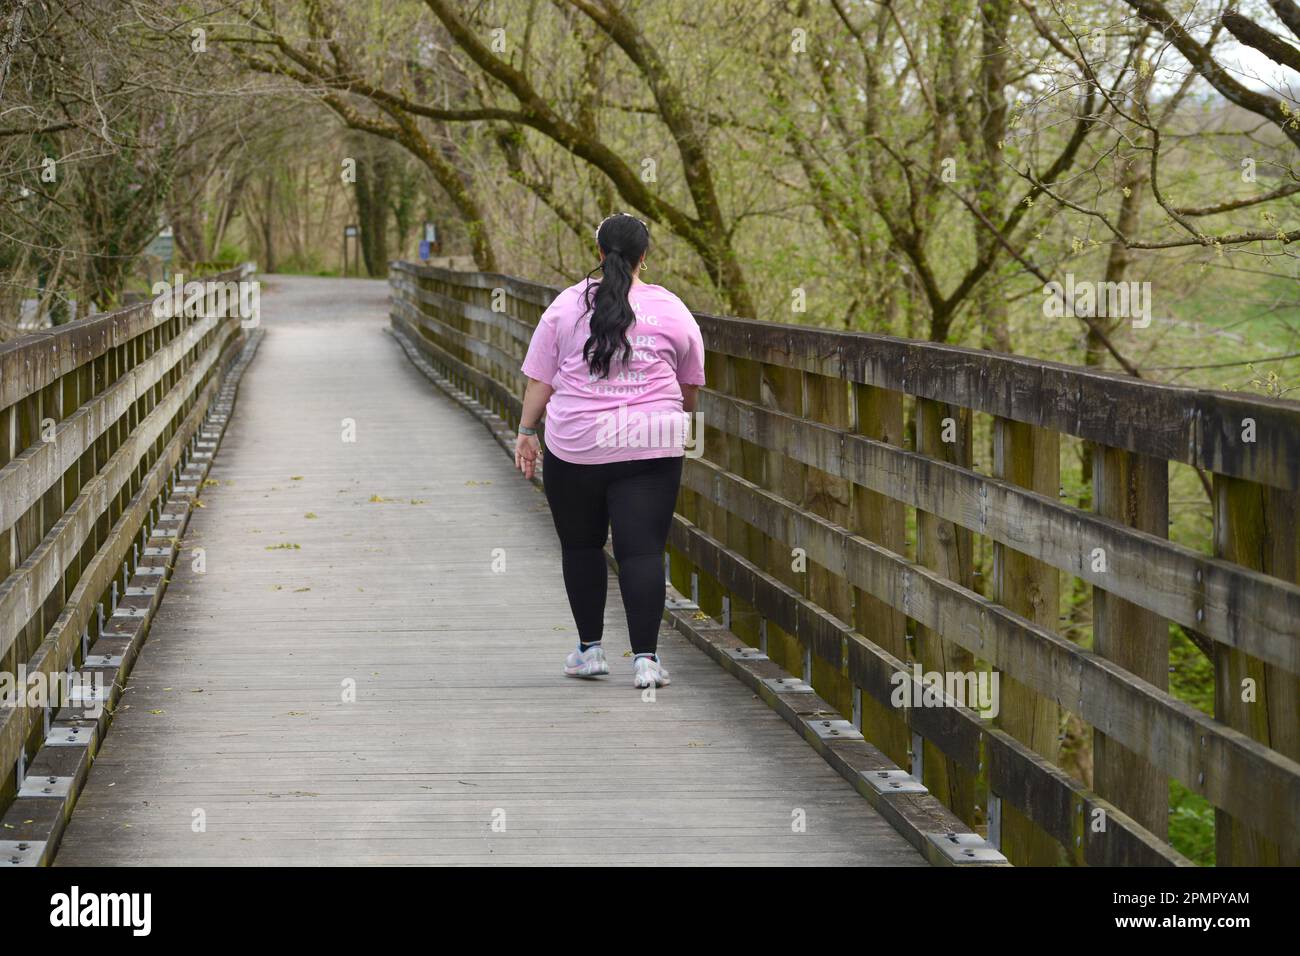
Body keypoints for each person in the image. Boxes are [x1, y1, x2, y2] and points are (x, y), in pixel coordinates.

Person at [513, 213, 704, 689]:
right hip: (651, 442)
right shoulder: (672, 308)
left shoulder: (566, 305)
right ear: (645, 256)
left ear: (599, 253)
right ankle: (645, 660)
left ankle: (590, 651)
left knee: (581, 545)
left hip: (578, 442)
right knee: (642, 551)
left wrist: (525, 431)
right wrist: (681, 423)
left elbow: (541, 378)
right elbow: (689, 382)